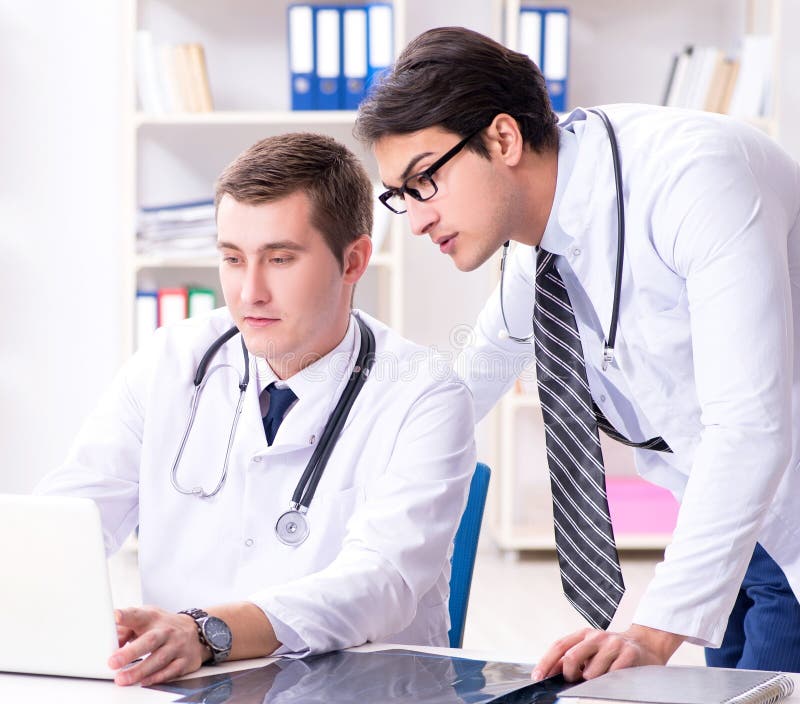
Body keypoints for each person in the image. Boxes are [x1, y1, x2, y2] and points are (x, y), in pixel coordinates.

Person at [355, 26, 800, 679]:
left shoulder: (695, 178)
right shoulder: (540, 252)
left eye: (424, 182)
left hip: (779, 496)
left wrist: (649, 636)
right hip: (727, 516)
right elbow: (463, 386)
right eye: (400, 197)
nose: (416, 220)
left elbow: (751, 427)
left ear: (503, 139)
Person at [35, 132, 476, 687]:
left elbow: (381, 581)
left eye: (281, 259)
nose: (249, 293)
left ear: (354, 261)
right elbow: (70, 519)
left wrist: (206, 630)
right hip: (189, 688)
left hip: (357, 689)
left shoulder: (424, 394)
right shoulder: (169, 362)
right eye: (232, 259)